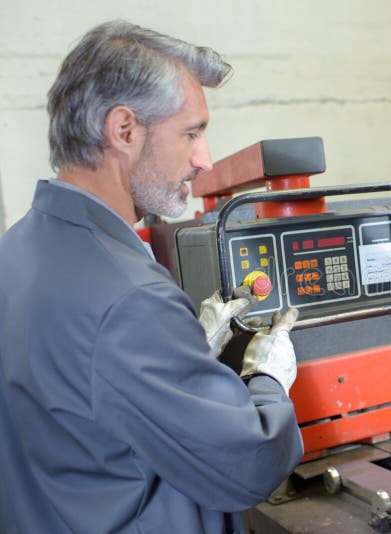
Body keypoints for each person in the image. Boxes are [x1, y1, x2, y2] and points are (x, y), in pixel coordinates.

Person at [0, 20, 304, 533]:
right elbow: (248, 461)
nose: (203, 160)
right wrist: (267, 380)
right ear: (124, 130)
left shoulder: (17, 250)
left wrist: (183, 355)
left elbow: (86, 403)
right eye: (192, 132)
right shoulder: (132, 299)